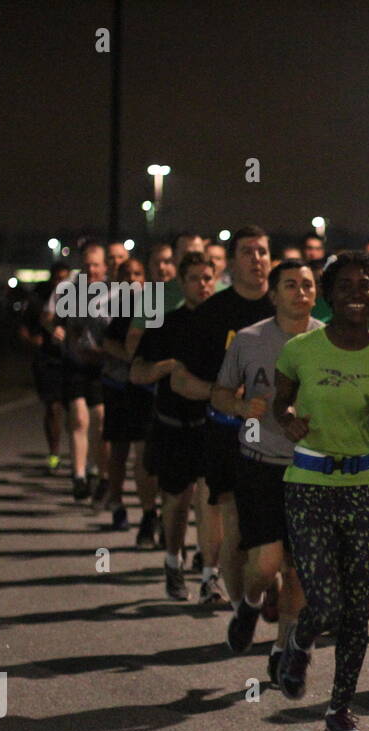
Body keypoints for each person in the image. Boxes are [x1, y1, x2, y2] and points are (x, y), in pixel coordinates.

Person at [272, 252, 369, 731]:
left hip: (362, 488)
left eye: (368, 285)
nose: (358, 292)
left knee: (358, 609)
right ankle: (298, 641)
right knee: (326, 598)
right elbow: (280, 401)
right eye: (347, 285)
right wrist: (288, 418)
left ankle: (339, 710)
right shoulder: (301, 349)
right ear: (330, 294)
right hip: (308, 484)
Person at [212, 259, 321, 679]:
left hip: (310, 467)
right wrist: (240, 405)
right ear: (273, 294)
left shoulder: (328, 342)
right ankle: (250, 605)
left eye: (308, 284)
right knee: (266, 563)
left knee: (298, 569)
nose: (301, 291)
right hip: (259, 462)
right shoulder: (250, 339)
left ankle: (283, 650)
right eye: (290, 285)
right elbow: (220, 393)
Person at [171, 226, 275, 606]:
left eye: (262, 251)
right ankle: (240, 608)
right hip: (227, 434)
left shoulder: (287, 309)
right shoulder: (213, 312)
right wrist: (222, 397)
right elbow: (181, 380)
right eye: (247, 252)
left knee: (273, 530)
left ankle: (264, 591)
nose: (256, 259)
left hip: (279, 436)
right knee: (234, 527)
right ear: (232, 262)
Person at [131, 252, 219, 601]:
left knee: (212, 501)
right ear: (182, 284)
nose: (203, 284)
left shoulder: (225, 326)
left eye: (208, 278)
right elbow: (137, 373)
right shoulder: (165, 324)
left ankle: (210, 576)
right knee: (178, 502)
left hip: (212, 424)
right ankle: (173, 562)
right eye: (196, 278)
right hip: (173, 423)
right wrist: (167, 367)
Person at [99, 257, 160, 541]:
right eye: (127, 274)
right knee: (119, 449)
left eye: (138, 274)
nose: (133, 280)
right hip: (117, 384)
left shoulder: (152, 303)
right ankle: (117, 502)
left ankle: (151, 512)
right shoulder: (115, 304)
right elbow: (108, 341)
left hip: (144, 390)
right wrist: (132, 359)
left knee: (142, 450)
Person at [59, 241, 110, 505]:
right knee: (79, 418)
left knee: (101, 420)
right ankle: (78, 476)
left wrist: (103, 351)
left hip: (104, 366)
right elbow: (66, 326)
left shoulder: (116, 292)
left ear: (105, 266)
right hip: (76, 364)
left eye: (96, 265)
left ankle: (102, 475)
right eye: (87, 264)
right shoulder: (71, 290)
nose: (91, 269)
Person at [23, 263, 71, 473]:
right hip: (47, 360)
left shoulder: (80, 298)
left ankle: (84, 458)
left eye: (64, 278)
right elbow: (24, 328)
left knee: (79, 411)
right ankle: (54, 454)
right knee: (53, 408)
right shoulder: (38, 299)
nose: (60, 283)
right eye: (56, 278)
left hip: (73, 359)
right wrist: (34, 340)